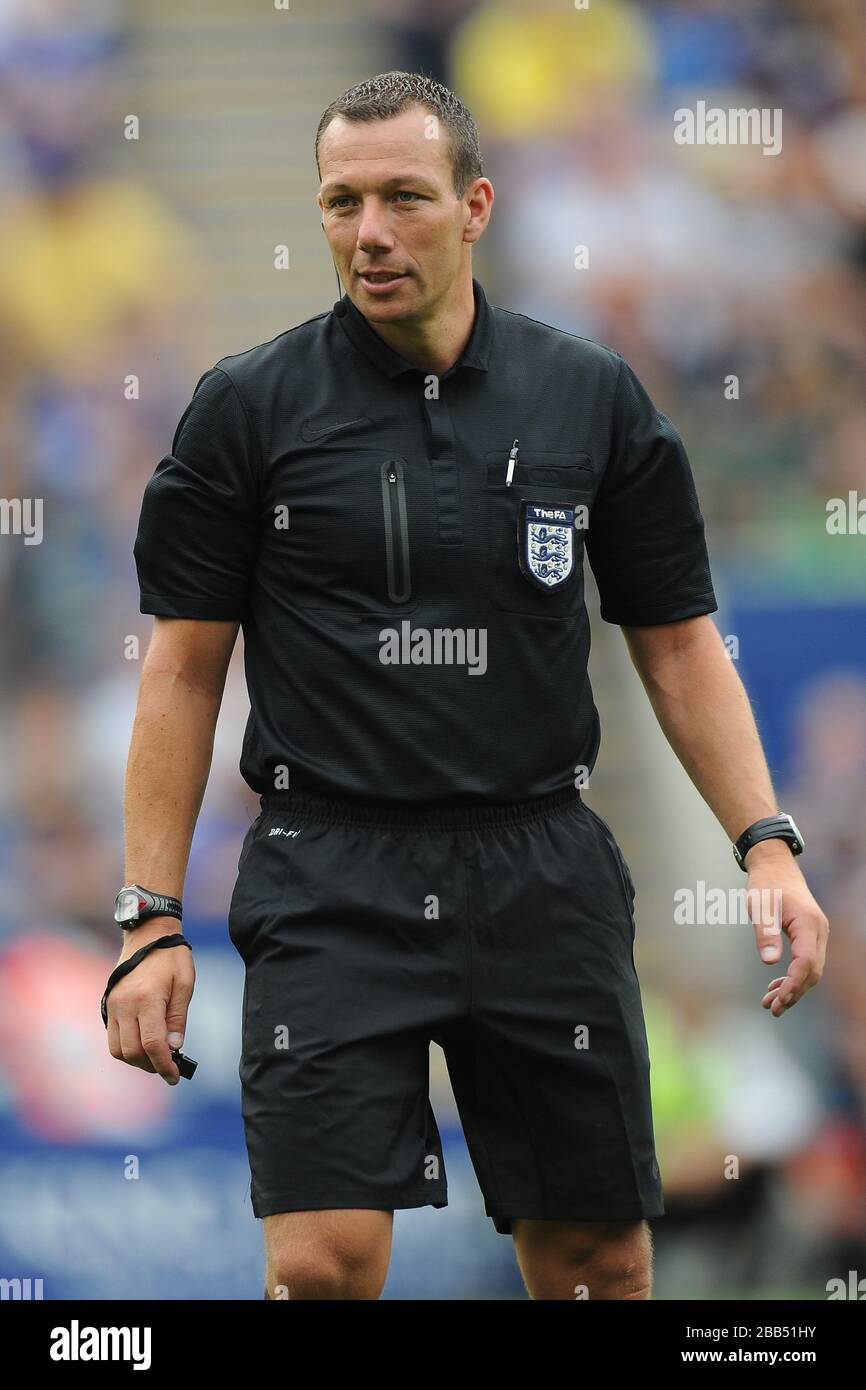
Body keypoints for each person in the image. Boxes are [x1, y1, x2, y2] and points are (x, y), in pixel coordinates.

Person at [110, 71, 829, 1301]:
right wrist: (150, 916)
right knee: (321, 1270)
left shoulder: (588, 397)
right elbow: (181, 670)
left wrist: (763, 842)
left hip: (540, 866)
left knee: (600, 1267)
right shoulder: (244, 409)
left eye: (402, 196)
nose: (370, 232)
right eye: (341, 202)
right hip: (328, 874)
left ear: (476, 203)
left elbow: (675, 641)